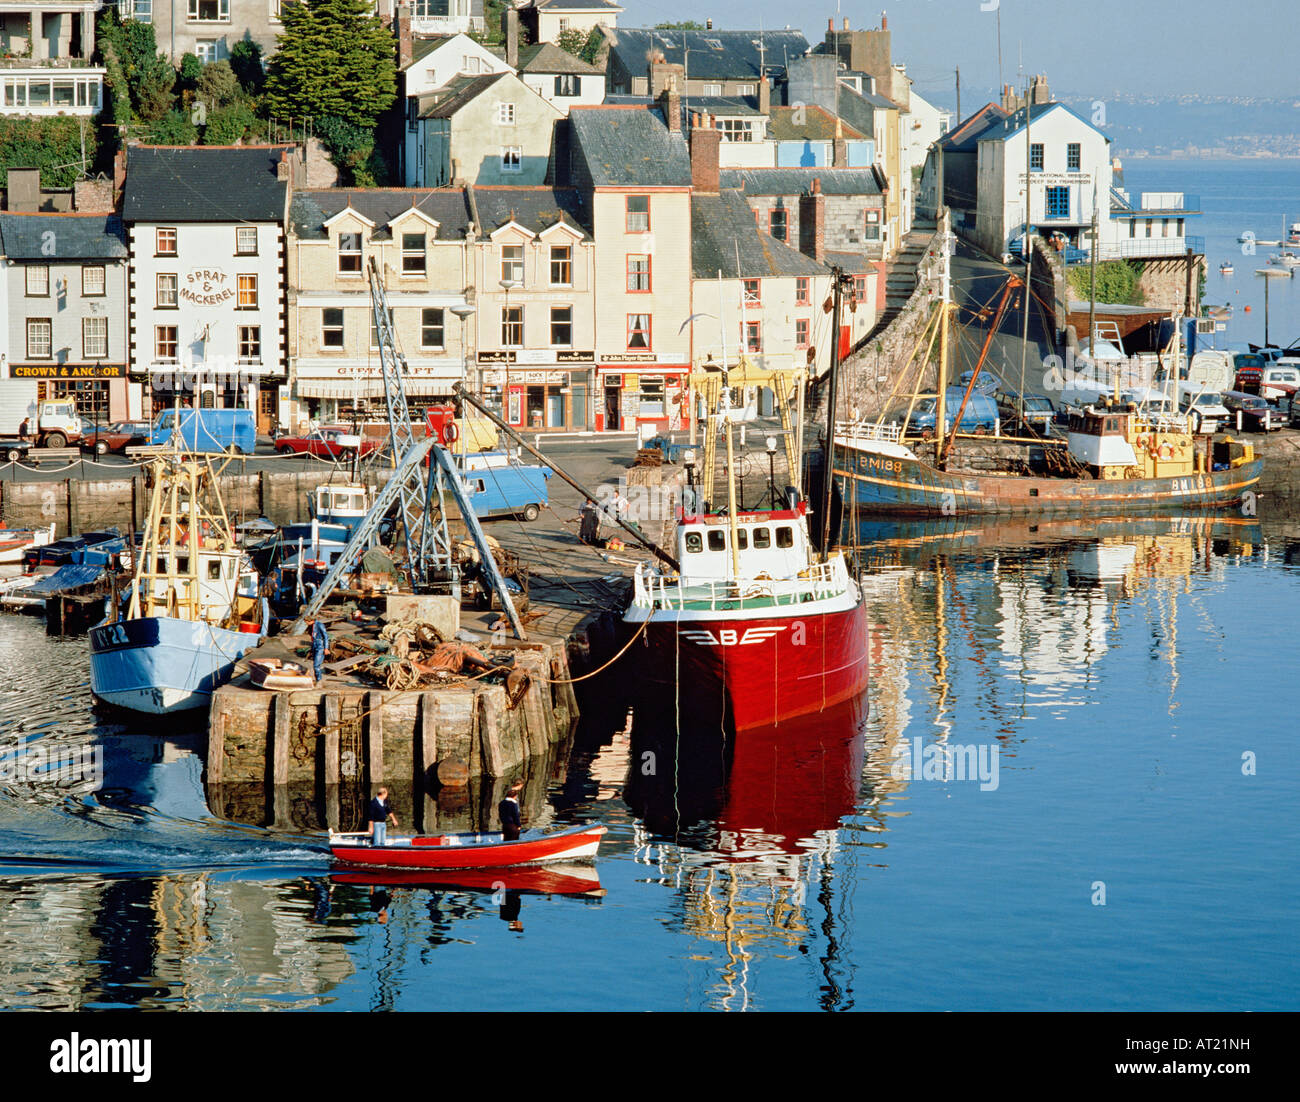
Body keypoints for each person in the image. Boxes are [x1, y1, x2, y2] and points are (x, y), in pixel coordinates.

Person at [306, 615, 329, 683]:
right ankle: (317, 679)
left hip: (320, 646)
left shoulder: (319, 625)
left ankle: (319, 680)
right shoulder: (312, 626)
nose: (306, 624)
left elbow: (326, 636)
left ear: (311, 620)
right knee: (315, 664)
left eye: (307, 622)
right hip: (315, 645)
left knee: (316, 665)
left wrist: (326, 648)